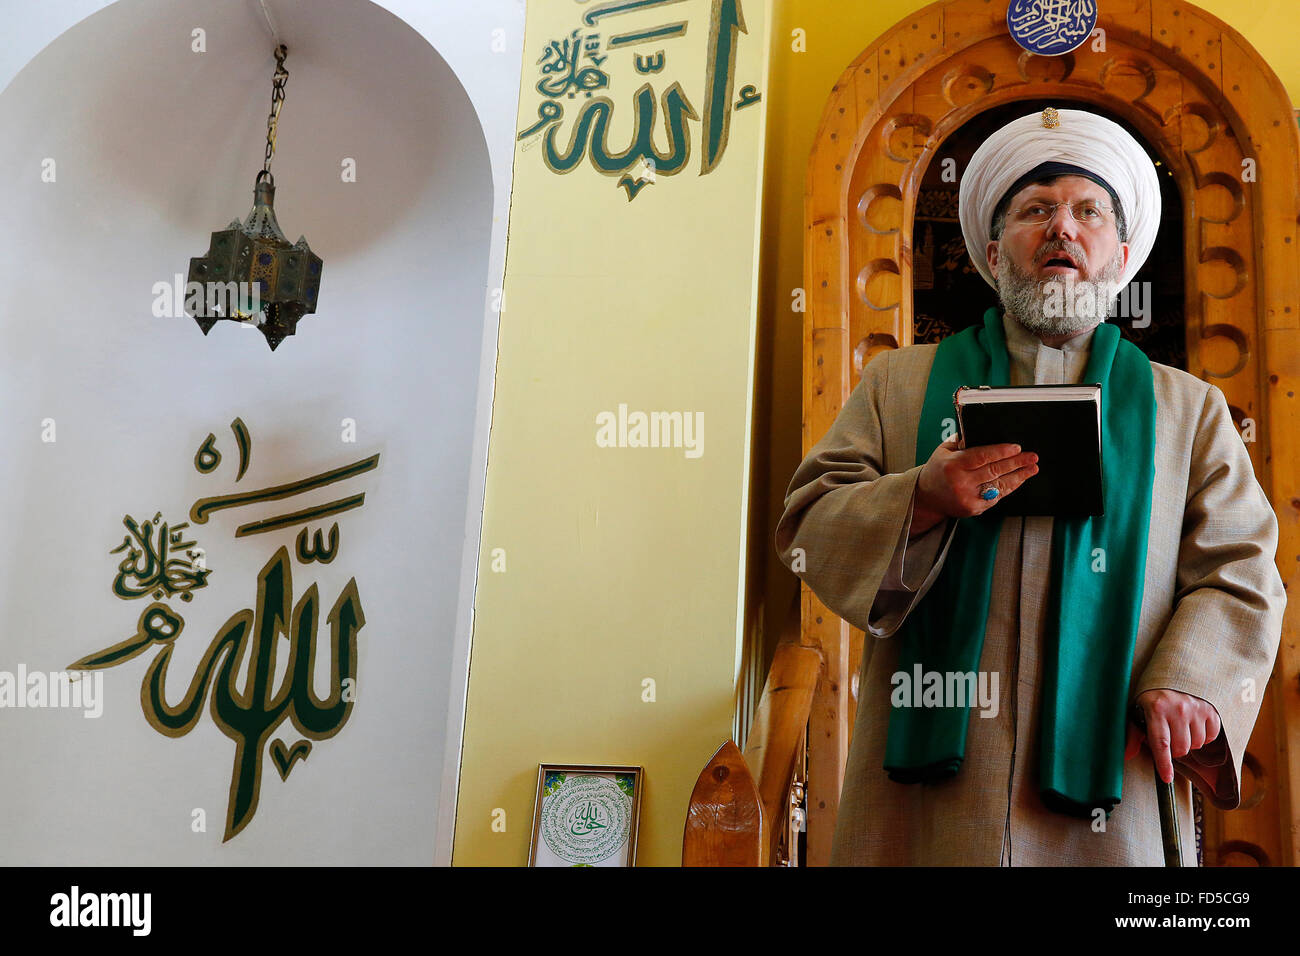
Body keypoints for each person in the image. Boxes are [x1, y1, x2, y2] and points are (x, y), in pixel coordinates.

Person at [775, 107, 1286, 866]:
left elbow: (1241, 570)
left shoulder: (1189, 408)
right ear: (992, 248)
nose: (1062, 229)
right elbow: (808, 527)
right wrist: (920, 496)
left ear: (1118, 255)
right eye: (1035, 211)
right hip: (928, 791)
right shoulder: (897, 384)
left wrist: (1191, 682)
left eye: (1087, 212)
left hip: (1113, 765)